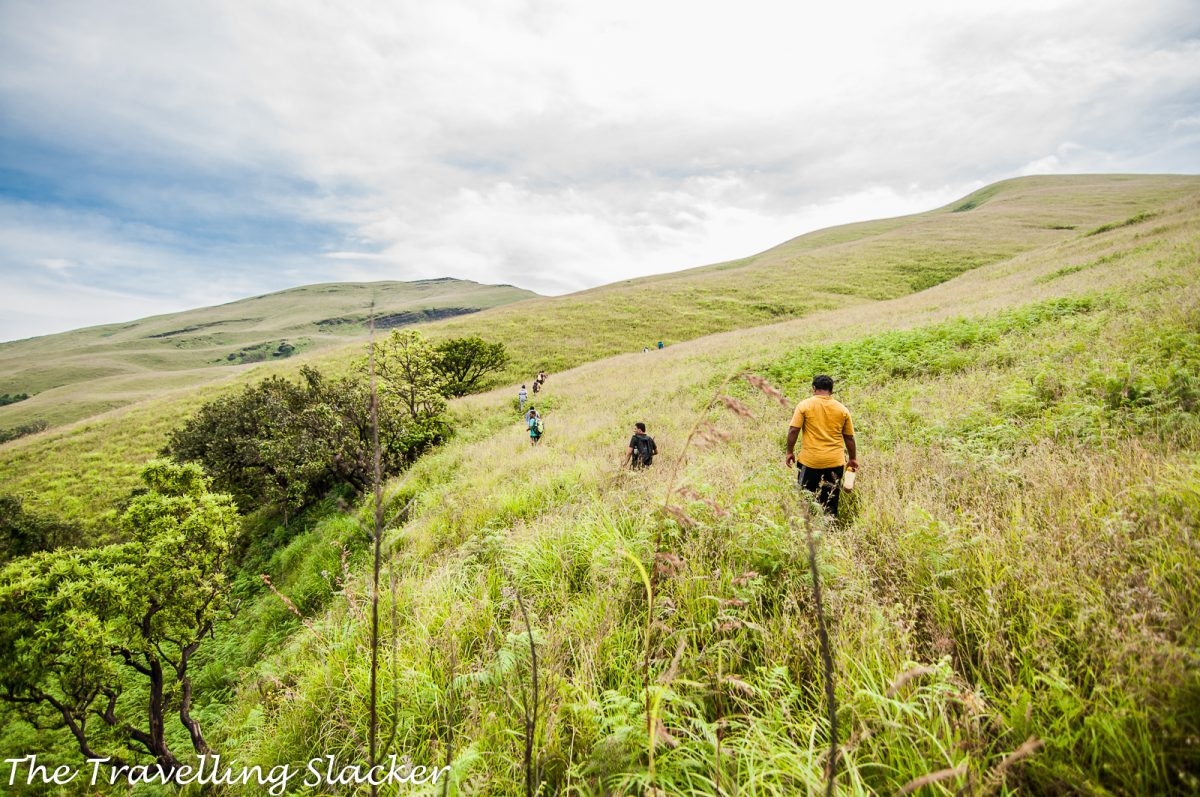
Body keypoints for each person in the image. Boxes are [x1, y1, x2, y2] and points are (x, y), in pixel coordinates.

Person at [785, 375, 858, 516]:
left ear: (814, 388)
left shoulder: (804, 405)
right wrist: (853, 458)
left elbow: (794, 430)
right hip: (835, 462)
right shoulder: (842, 409)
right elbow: (849, 437)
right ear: (831, 390)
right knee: (830, 498)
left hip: (810, 461)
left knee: (806, 498)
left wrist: (789, 452)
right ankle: (829, 529)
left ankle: (808, 528)